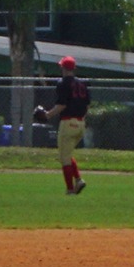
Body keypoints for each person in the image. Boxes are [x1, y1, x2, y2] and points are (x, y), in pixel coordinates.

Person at [37, 55, 89, 194]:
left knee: (64, 157)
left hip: (68, 122)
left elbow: (61, 105)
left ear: (63, 68)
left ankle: (70, 189)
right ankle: (78, 180)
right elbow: (86, 106)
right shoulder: (82, 83)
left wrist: (47, 115)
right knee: (66, 154)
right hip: (81, 123)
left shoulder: (63, 83)